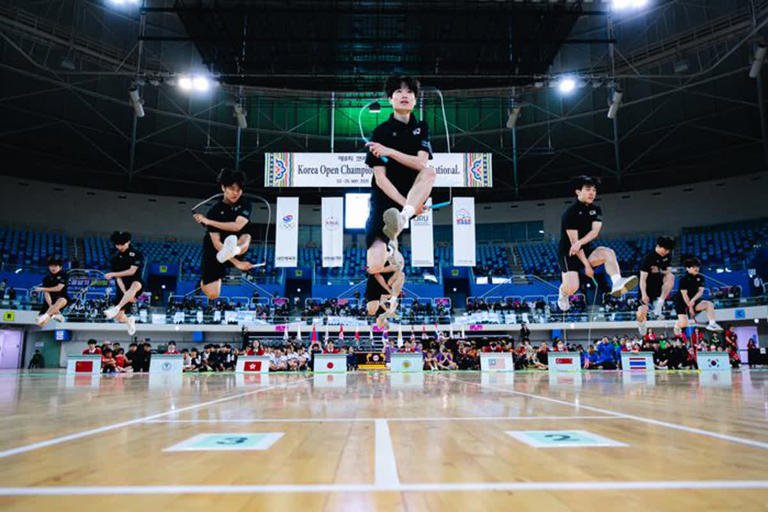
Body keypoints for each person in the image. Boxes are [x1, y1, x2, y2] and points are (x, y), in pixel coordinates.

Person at [364, 75, 436, 324]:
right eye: (398, 91)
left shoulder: (421, 127)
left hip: (408, 200)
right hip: (384, 201)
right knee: (373, 265)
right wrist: (407, 202)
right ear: (390, 99)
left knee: (430, 172)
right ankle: (393, 267)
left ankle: (401, 226)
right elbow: (380, 179)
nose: (404, 94)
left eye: (409, 92)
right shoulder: (380, 131)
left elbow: (420, 163)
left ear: (415, 99)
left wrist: (408, 208)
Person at [556, 176, 637, 311]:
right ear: (578, 192)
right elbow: (574, 244)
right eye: (588, 189)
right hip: (568, 252)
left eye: (594, 190)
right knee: (572, 288)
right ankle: (563, 292)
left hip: (585, 248)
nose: (592, 193)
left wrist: (581, 243)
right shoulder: (570, 213)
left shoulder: (596, 209)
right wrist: (587, 266)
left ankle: (617, 282)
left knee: (608, 252)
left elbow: (595, 232)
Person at [193, 168, 255, 300]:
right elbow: (216, 244)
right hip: (216, 249)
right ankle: (204, 281)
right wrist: (237, 263)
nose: (236, 193)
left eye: (239, 190)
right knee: (213, 294)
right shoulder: (214, 211)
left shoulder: (245, 204)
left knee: (247, 236)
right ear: (223, 188)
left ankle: (235, 249)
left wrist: (208, 221)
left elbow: (238, 226)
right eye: (232, 189)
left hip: (236, 242)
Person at [103, 232, 143, 335]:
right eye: (117, 245)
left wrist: (112, 274)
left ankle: (116, 308)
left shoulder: (136, 254)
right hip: (122, 287)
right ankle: (128, 320)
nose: (119, 247)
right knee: (119, 318)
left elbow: (132, 271)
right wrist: (126, 293)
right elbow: (118, 278)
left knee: (136, 285)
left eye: (122, 244)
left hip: (135, 282)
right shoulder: (115, 258)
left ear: (128, 242)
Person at [637, 236, 676, 335]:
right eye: (665, 249)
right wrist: (644, 294)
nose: (666, 252)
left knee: (671, 276)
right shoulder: (648, 258)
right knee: (642, 311)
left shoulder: (668, 255)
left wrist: (659, 270)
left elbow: (668, 270)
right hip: (647, 287)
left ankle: (659, 303)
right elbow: (642, 279)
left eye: (668, 250)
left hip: (660, 285)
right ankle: (641, 325)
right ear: (659, 246)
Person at [673, 257, 723, 335]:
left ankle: (712, 324)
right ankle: (677, 325)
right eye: (693, 267)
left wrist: (693, 301)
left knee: (709, 304)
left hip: (694, 300)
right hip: (681, 302)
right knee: (684, 324)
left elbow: (700, 292)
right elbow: (684, 295)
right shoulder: (683, 280)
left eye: (697, 266)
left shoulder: (700, 278)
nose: (696, 268)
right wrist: (690, 308)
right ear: (688, 268)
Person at [35, 257, 69, 327]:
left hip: (61, 298)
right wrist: (51, 306)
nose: (53, 268)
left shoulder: (64, 275)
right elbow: (46, 293)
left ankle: (46, 316)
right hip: (49, 300)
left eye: (55, 266)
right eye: (51, 266)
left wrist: (42, 289)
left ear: (60, 267)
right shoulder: (46, 278)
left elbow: (58, 288)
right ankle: (55, 315)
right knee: (40, 324)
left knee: (61, 300)